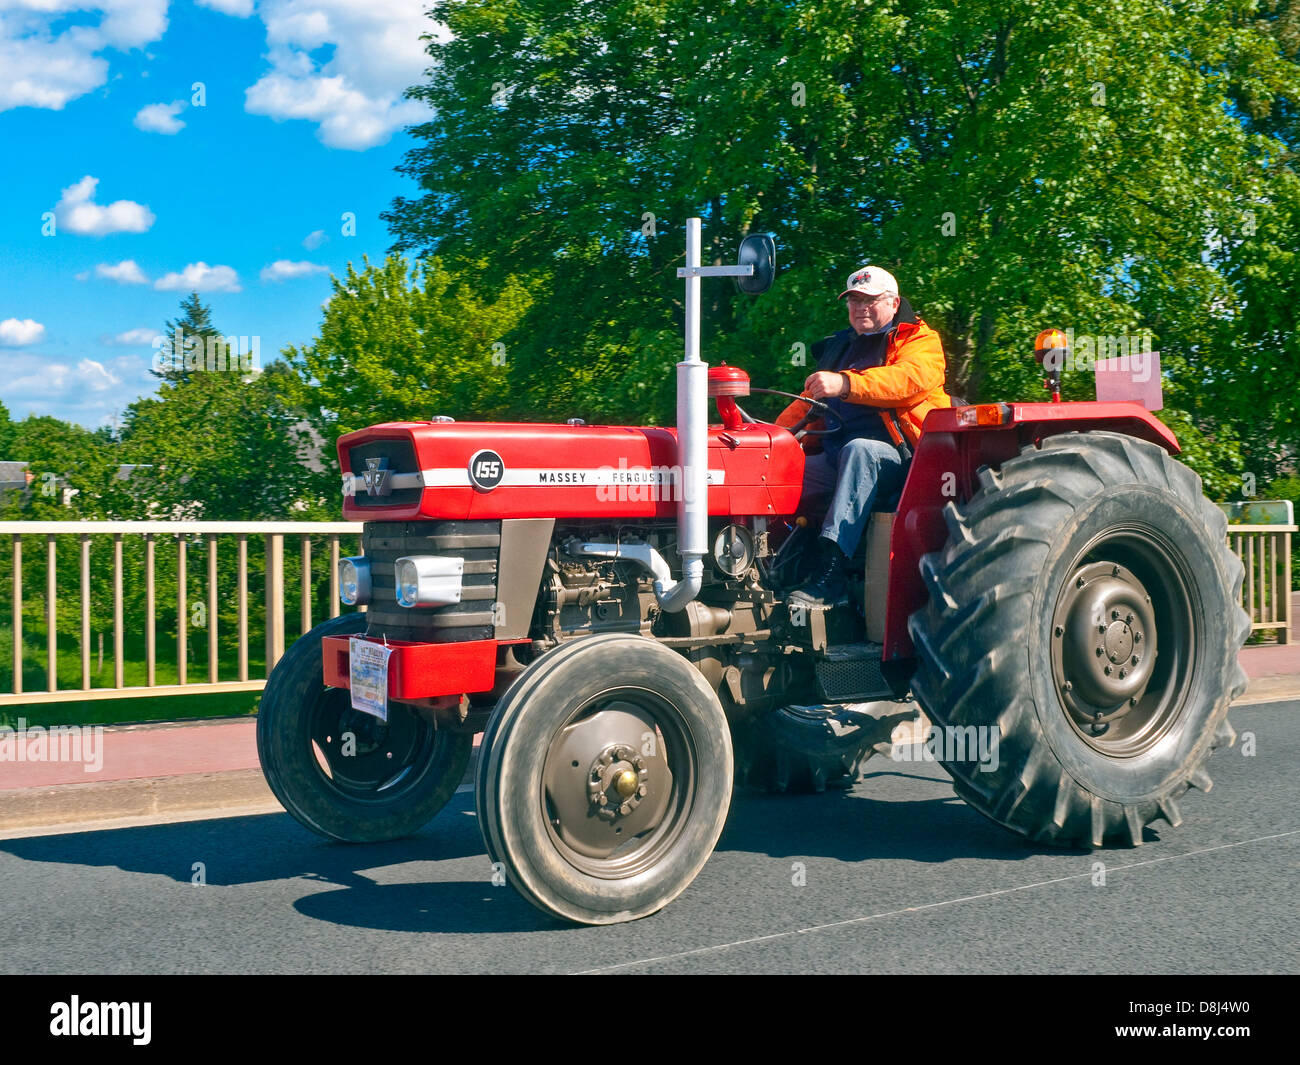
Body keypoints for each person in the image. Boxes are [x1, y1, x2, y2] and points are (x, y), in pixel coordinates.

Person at [775, 264, 951, 608]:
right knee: (775, 476)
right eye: (854, 301)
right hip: (836, 455)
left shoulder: (919, 340)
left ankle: (831, 576)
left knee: (860, 451)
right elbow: (805, 407)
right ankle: (762, 566)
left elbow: (908, 381)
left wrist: (846, 383)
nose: (860, 308)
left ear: (894, 302)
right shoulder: (841, 347)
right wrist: (769, 442)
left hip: (904, 460)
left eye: (869, 300)